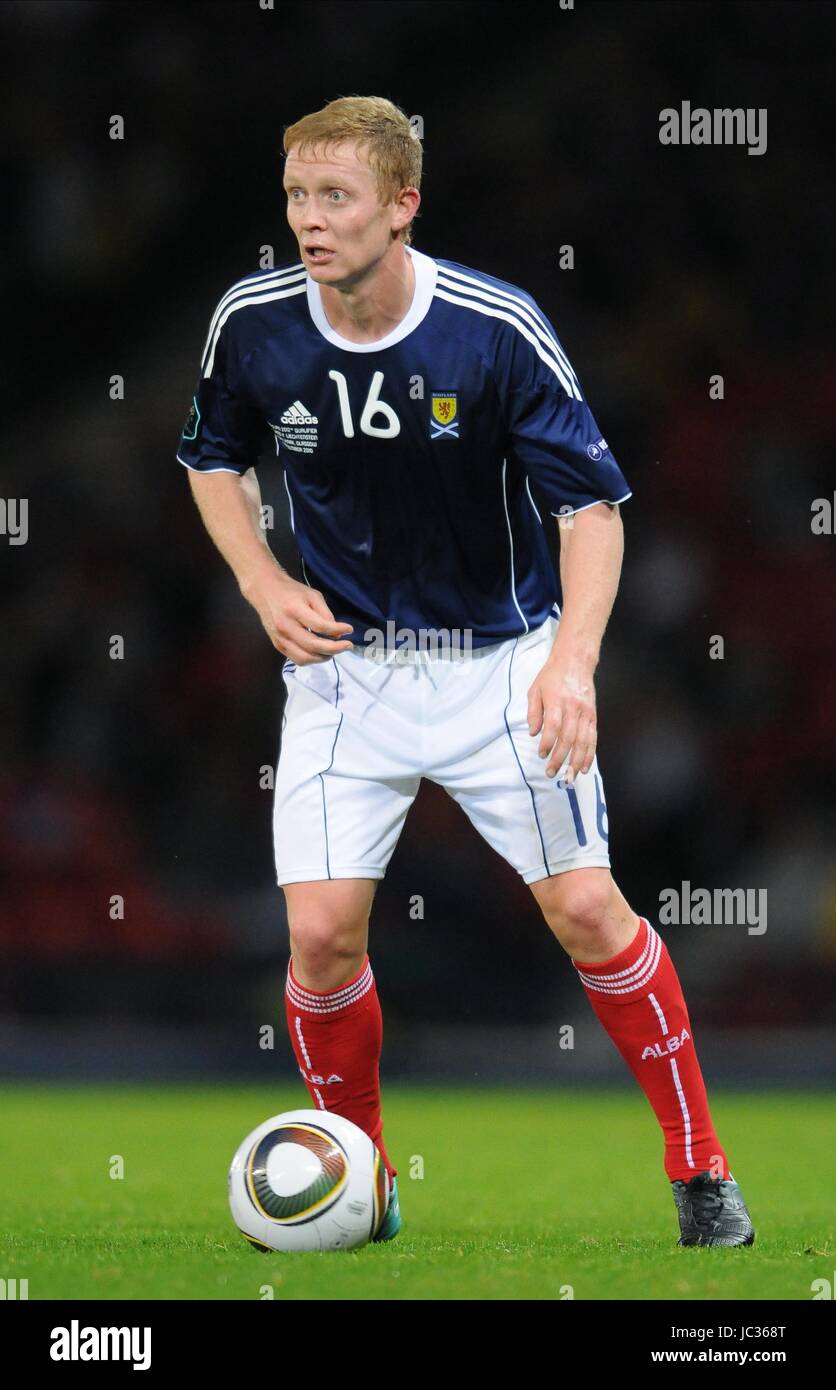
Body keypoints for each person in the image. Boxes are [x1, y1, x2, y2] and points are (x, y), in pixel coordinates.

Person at [177, 95, 754, 1248]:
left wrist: (573, 665)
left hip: (498, 664)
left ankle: (698, 1168)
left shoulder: (491, 329)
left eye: (334, 197)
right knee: (320, 936)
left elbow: (589, 507)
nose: (307, 221)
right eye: (295, 195)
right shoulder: (250, 322)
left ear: (402, 205)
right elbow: (210, 458)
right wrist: (257, 579)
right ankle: (364, 1183)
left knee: (587, 909)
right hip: (349, 673)